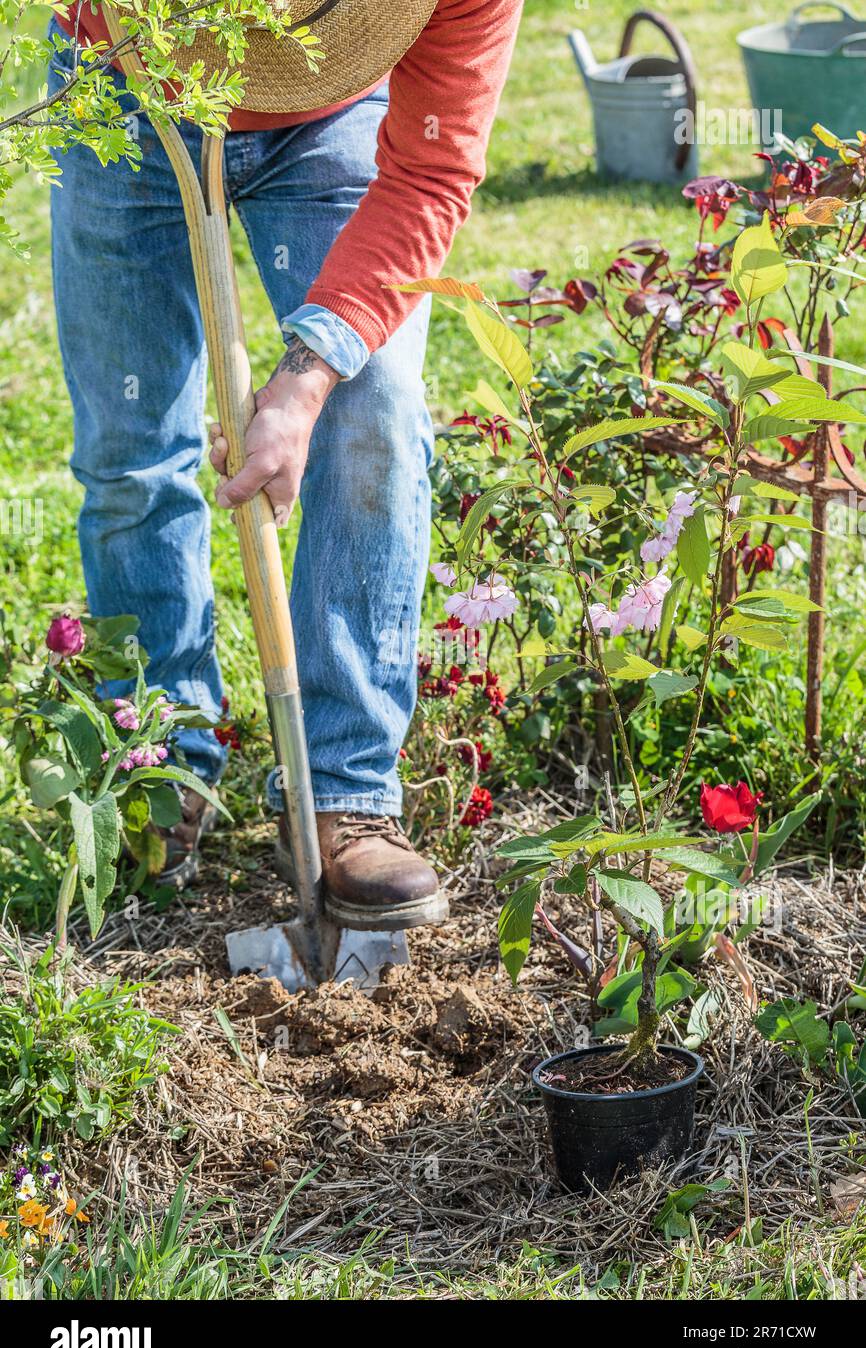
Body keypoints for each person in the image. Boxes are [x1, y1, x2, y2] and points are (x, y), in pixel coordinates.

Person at [49, 0, 521, 926]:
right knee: (132, 449)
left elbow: (431, 171)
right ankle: (161, 760)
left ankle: (345, 789)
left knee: (371, 410)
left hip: (333, 117)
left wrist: (304, 384)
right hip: (123, 91)